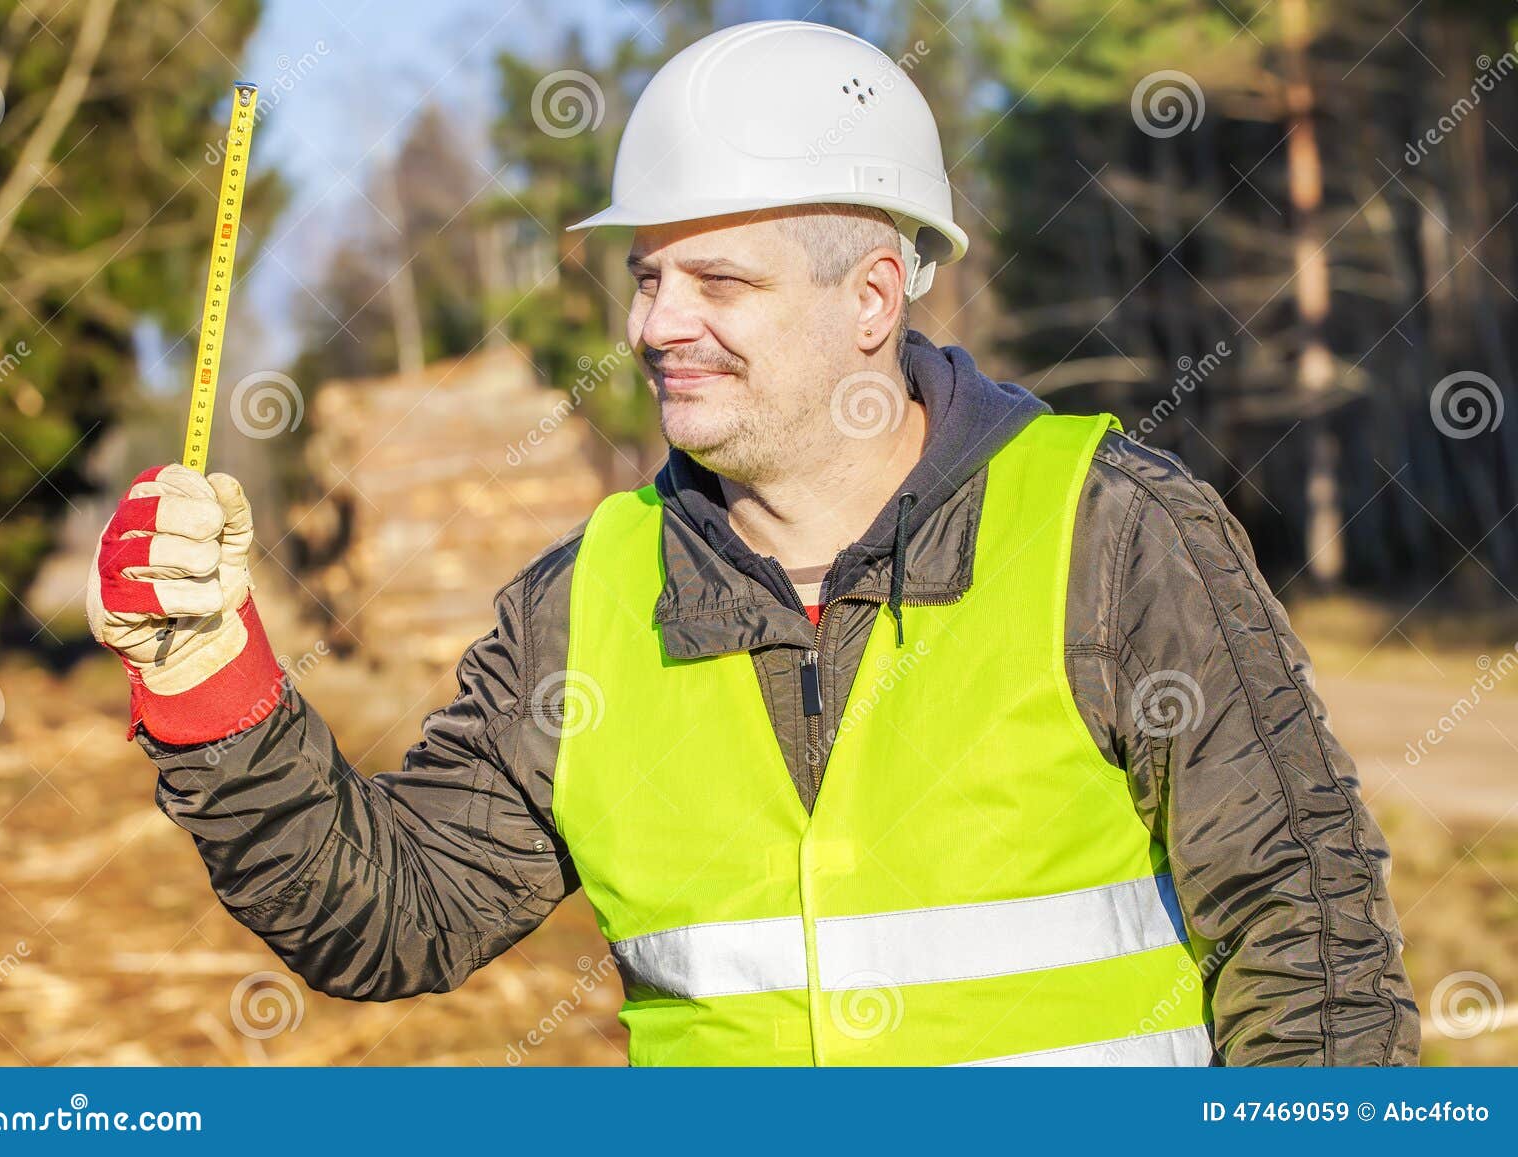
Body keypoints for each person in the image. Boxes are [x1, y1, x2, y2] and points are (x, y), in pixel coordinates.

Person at [86, 20, 1418, 1065]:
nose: (658, 322)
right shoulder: (585, 606)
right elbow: (386, 917)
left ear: (871, 299)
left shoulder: (1114, 529)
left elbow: (1313, 948)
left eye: (718, 281)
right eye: (649, 275)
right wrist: (213, 684)